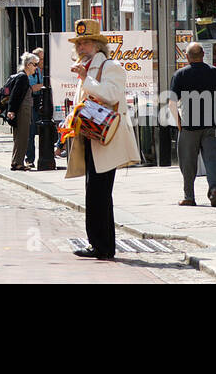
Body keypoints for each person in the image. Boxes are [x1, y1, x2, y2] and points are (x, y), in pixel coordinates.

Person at [64, 20, 141, 260]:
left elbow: (111, 95)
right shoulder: (84, 69)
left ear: (97, 45)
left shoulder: (110, 67)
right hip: (90, 137)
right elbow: (83, 103)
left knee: (99, 192)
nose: (81, 47)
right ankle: (100, 243)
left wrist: (86, 78)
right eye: (78, 43)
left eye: (85, 42)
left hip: (106, 139)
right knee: (95, 192)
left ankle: (101, 245)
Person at [168, 42, 216, 207]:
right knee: (215, 160)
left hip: (189, 125)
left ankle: (189, 196)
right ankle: (215, 190)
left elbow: (172, 103)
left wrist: (179, 123)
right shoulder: (213, 72)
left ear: (187, 57)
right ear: (203, 55)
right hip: (211, 124)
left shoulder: (180, 75)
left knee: (187, 164)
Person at [4, 55, 39, 171]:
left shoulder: (23, 76)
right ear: (28, 65)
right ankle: (17, 162)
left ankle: (16, 161)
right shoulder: (23, 77)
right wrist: (11, 111)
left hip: (22, 110)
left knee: (21, 137)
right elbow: (15, 95)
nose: (36, 68)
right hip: (22, 111)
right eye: (35, 65)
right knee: (22, 137)